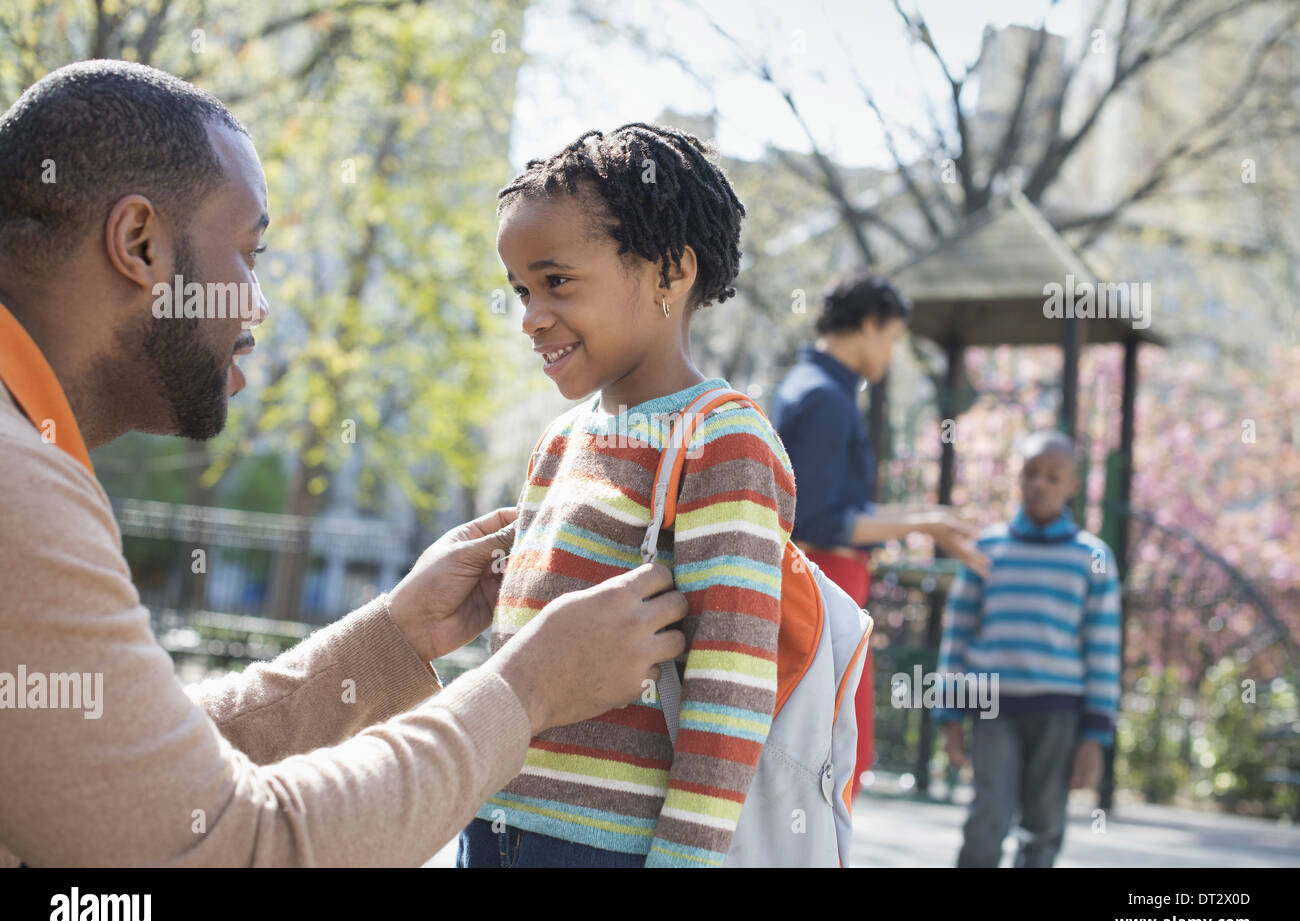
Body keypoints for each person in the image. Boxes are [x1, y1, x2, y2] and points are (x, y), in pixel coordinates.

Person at [0, 60, 687, 867]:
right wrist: (525, 690)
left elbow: (135, 778)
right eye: (248, 254)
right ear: (139, 243)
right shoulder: (21, 491)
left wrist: (391, 640)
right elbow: (225, 844)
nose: (256, 302)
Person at [456, 124, 796, 868]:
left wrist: (683, 859)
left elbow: (731, 684)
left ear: (670, 273)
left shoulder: (721, 440)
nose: (530, 316)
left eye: (556, 282)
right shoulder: (560, 438)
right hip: (493, 823)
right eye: (520, 289)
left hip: (606, 850)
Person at [769, 271, 990, 799]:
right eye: (891, 338)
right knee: (840, 756)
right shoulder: (825, 396)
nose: (891, 353)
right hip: (823, 585)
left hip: (829, 584)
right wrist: (924, 521)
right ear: (869, 325)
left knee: (834, 753)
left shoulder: (816, 387)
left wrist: (929, 516)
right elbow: (817, 521)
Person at [935, 429, 1122, 867]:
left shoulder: (1092, 558)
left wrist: (1096, 733)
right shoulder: (987, 548)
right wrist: (949, 712)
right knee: (988, 816)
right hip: (993, 707)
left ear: (1073, 486)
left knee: (1044, 823)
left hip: (1059, 713)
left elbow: (1103, 649)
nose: (1040, 484)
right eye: (1031, 474)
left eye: (1053, 477)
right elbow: (957, 632)